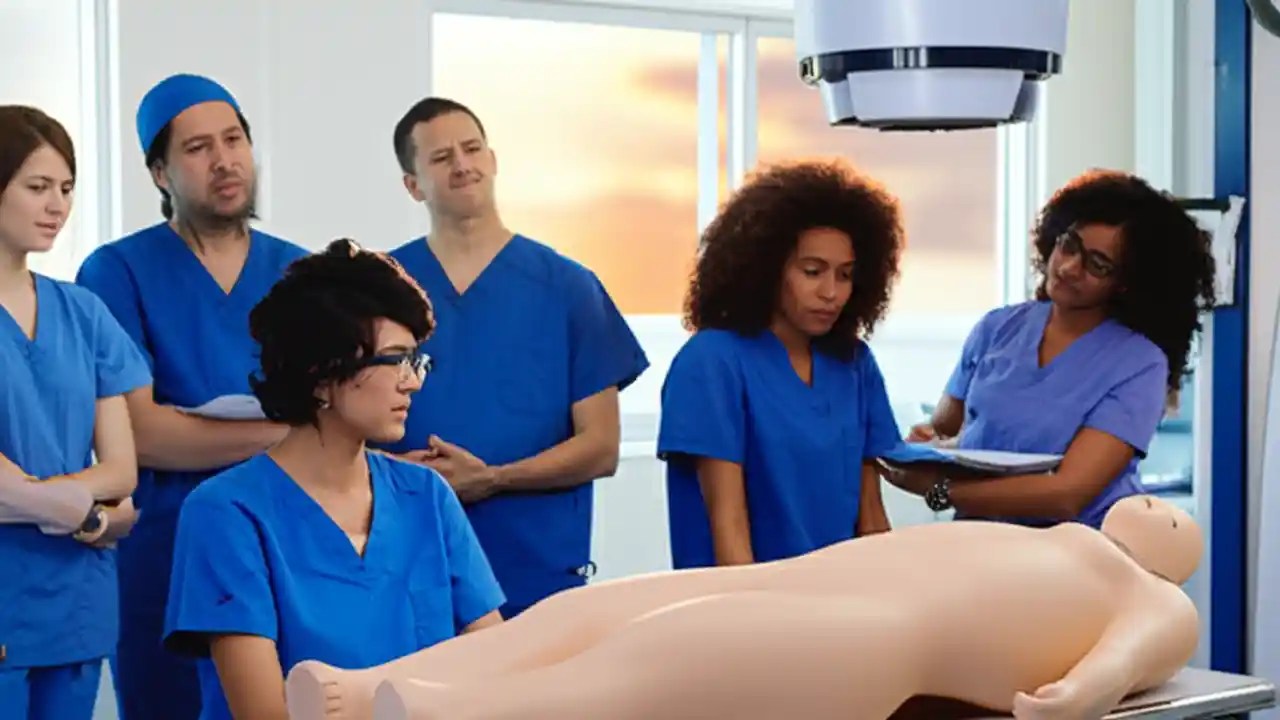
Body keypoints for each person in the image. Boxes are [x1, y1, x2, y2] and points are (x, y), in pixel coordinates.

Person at [283, 493, 1202, 720]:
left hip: (884, 639)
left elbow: (1126, 657)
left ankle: (462, 712)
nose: (1163, 509)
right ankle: (371, 687)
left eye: (1179, 521)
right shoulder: (1047, 534)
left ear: (1180, 560)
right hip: (812, 574)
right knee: (595, 611)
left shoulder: (1154, 595)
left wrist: (1077, 695)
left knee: (671, 653)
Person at [163, 239, 505, 720]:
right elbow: (264, 712)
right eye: (395, 361)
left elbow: (494, 665)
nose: (413, 382)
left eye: (416, 362)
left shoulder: (426, 496)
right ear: (321, 373)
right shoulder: (227, 513)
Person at [74, 73, 309, 720]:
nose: (225, 160)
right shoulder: (116, 272)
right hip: (166, 553)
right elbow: (142, 434)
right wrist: (289, 433)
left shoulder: (303, 273)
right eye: (199, 147)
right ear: (160, 172)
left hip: (287, 547)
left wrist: (198, 431)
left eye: (234, 139)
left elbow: (343, 417)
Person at [380, 97, 649, 617]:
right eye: (440, 158)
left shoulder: (569, 287)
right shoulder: (379, 289)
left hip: (536, 570)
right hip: (405, 562)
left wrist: (493, 478)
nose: (462, 164)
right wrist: (397, 473)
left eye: (472, 148)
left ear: (493, 159)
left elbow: (601, 447)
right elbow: (337, 430)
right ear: (413, 185)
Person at [891, 170, 1218, 528]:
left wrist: (940, 492)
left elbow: (1067, 495)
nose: (1068, 267)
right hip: (980, 543)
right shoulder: (997, 328)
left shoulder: (1139, 364)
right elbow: (943, 429)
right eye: (1069, 244)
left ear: (1126, 284)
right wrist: (921, 445)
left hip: (1079, 554)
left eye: (1097, 264)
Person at [657, 160, 904, 569]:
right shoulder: (713, 362)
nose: (831, 293)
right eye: (812, 272)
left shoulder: (854, 363)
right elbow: (728, 528)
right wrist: (757, 623)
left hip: (841, 606)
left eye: (845, 276)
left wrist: (889, 601)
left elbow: (871, 518)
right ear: (767, 270)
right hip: (742, 609)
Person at [0, 105, 151, 719]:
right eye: (37, 188)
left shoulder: (83, 313)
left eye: (65, 189)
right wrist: (76, 511)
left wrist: (36, 499)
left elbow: (121, 471)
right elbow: (106, 501)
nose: (57, 205)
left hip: (74, 603)